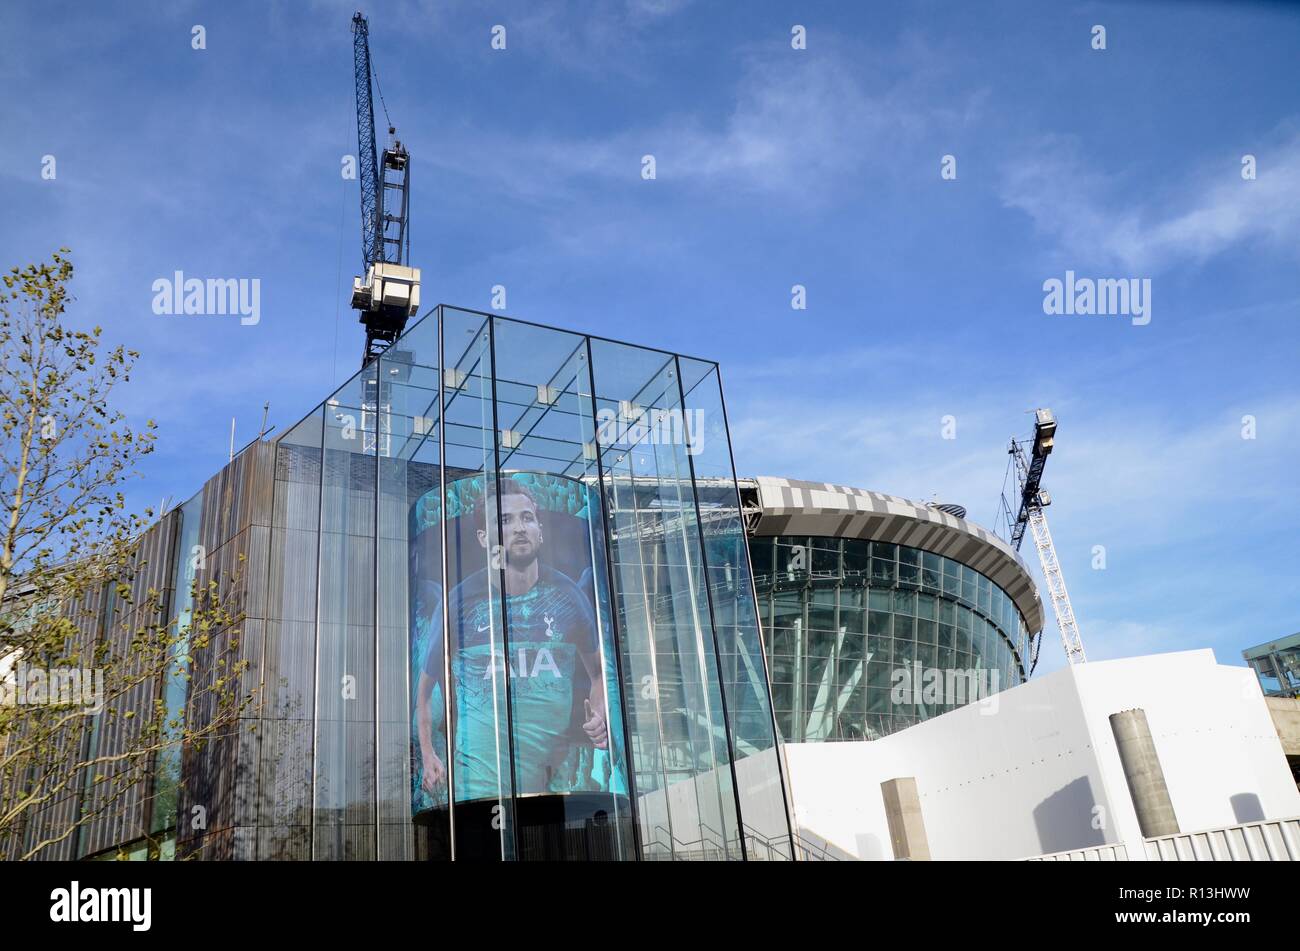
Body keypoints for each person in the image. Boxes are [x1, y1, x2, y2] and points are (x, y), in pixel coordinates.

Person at [415, 479, 609, 801]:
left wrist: (600, 714)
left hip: (554, 790)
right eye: (504, 520)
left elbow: (598, 674)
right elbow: (423, 695)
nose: (519, 527)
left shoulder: (569, 596)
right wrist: (428, 755)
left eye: (527, 517)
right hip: (476, 791)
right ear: (483, 538)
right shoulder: (457, 604)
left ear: (540, 531)